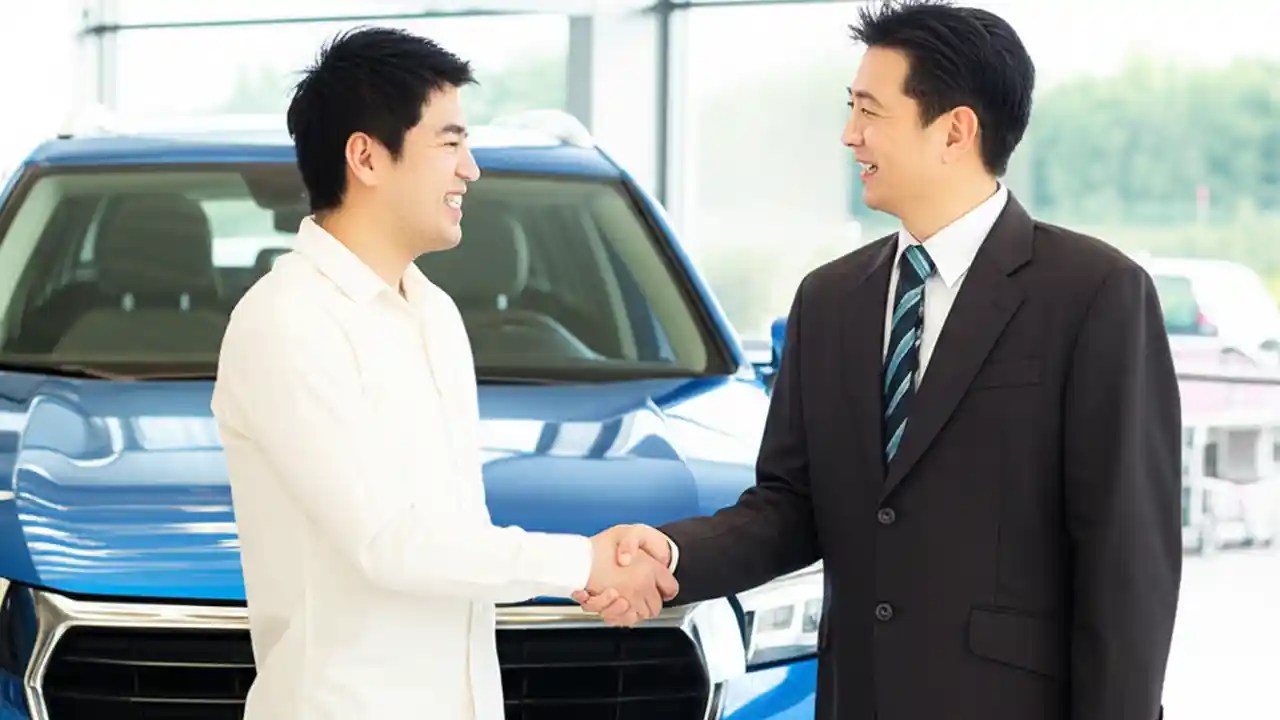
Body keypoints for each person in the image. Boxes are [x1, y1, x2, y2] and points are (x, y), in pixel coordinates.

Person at [574, 2, 1182, 719]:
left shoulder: (1094, 295)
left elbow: (1126, 562)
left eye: (871, 111)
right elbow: (789, 508)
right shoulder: (830, 300)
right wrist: (671, 556)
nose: (849, 134)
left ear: (955, 130)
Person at [211, 27, 676, 720]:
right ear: (366, 156)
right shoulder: (287, 322)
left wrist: (585, 565)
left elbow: (454, 532)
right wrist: (582, 561)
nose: (471, 169)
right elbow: (383, 541)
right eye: (451, 142)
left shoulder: (433, 313)